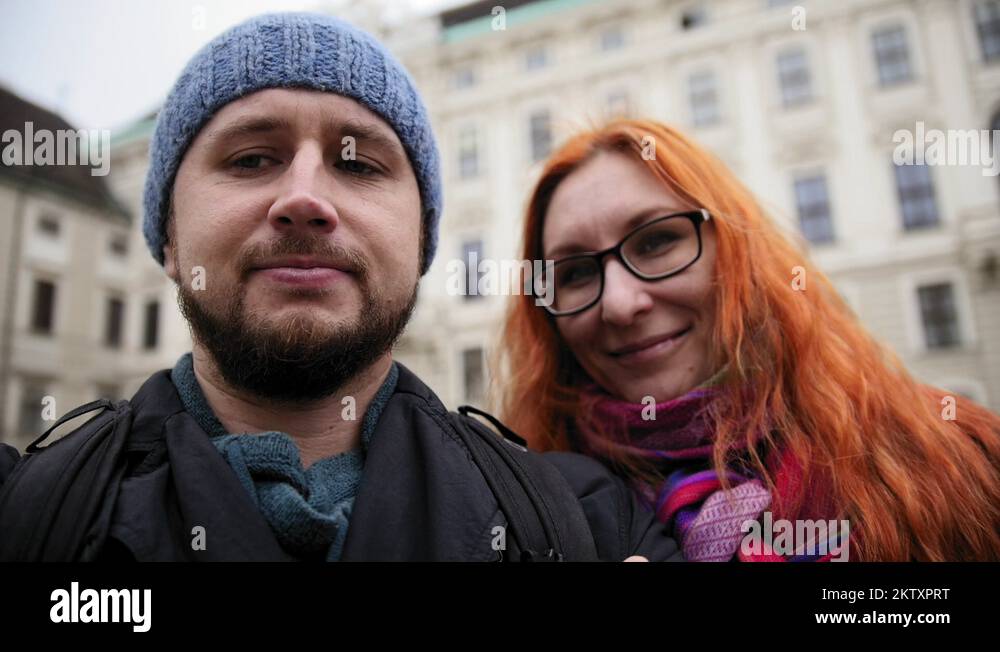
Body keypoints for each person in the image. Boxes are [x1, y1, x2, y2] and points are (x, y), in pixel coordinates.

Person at [0, 14, 681, 562]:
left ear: (421, 242)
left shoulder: (592, 522)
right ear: (170, 237)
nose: (304, 198)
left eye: (358, 165)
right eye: (251, 158)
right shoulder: (26, 512)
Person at [497, 118, 1000, 561]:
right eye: (576, 273)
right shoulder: (521, 520)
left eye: (655, 241)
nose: (621, 304)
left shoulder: (960, 461)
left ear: (736, 251)